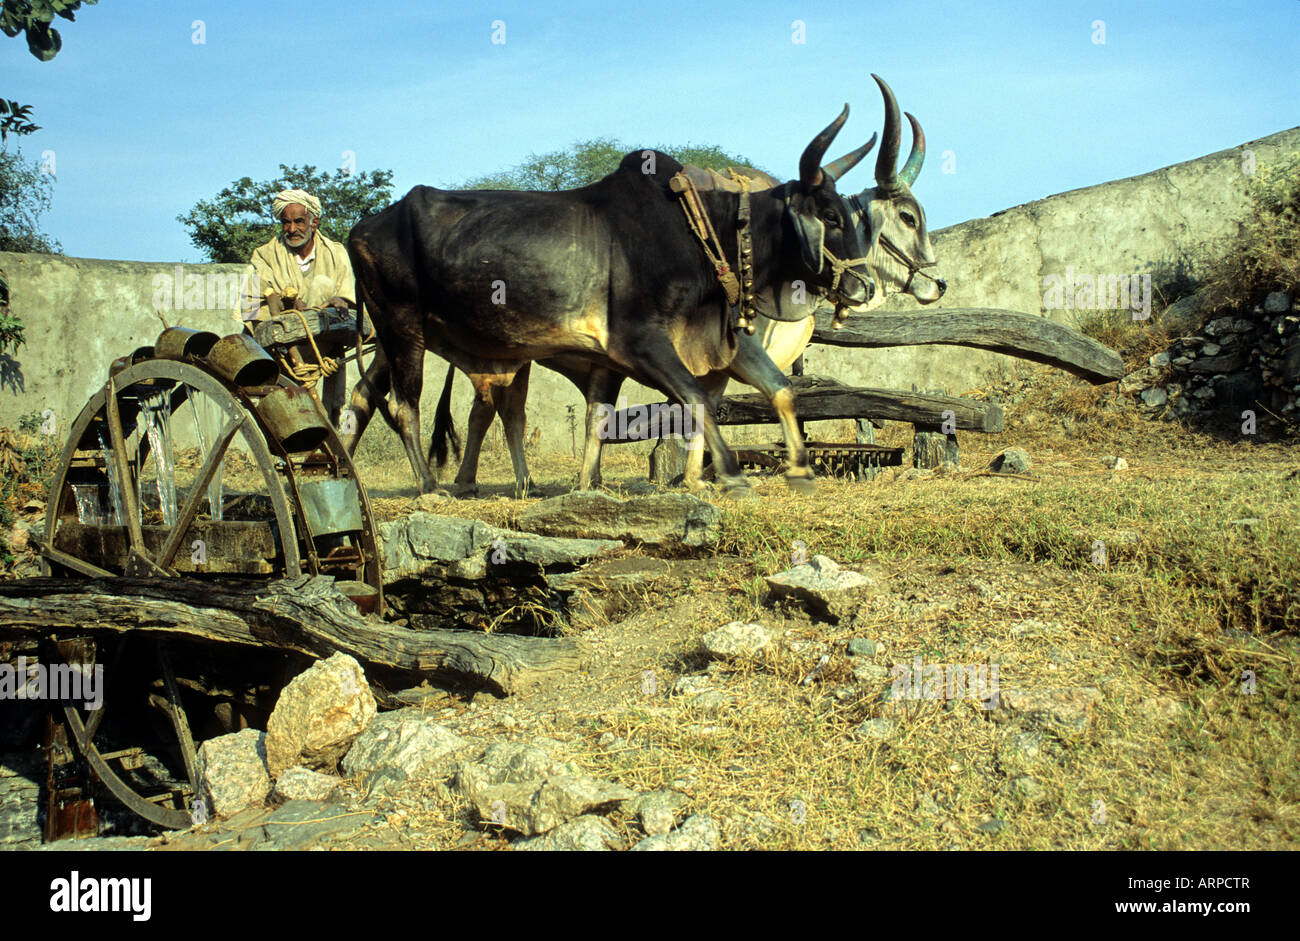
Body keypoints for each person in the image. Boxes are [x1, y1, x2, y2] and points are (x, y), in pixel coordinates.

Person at [241, 189, 354, 424]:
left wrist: (330, 302)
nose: (292, 229)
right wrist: (284, 301)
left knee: (323, 284)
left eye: (299, 221)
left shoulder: (335, 252)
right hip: (282, 347)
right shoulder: (264, 255)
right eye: (286, 222)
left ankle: (332, 440)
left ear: (314, 223)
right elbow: (253, 298)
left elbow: (346, 295)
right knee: (290, 416)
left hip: (324, 341)